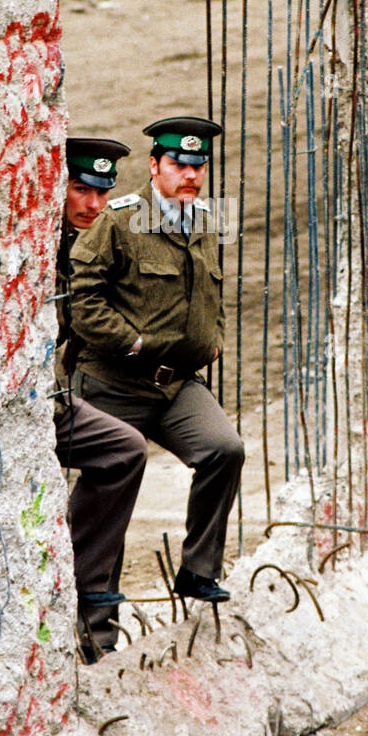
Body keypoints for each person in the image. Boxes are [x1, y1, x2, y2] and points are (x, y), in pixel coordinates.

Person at [69, 116, 245, 602]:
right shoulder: (119, 220)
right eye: (178, 165)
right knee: (112, 497)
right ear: (154, 166)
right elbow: (84, 300)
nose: (190, 175)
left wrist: (215, 341)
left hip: (175, 387)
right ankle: (97, 618)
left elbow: (213, 292)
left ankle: (198, 570)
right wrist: (131, 343)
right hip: (114, 382)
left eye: (199, 166)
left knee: (224, 450)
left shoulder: (207, 222)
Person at [54, 137, 148, 660]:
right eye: (79, 190)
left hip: (75, 388)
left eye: (102, 193)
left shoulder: (101, 241)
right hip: (41, 398)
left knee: (124, 450)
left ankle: (91, 607)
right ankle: (83, 599)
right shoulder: (38, 242)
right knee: (119, 449)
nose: (92, 205)